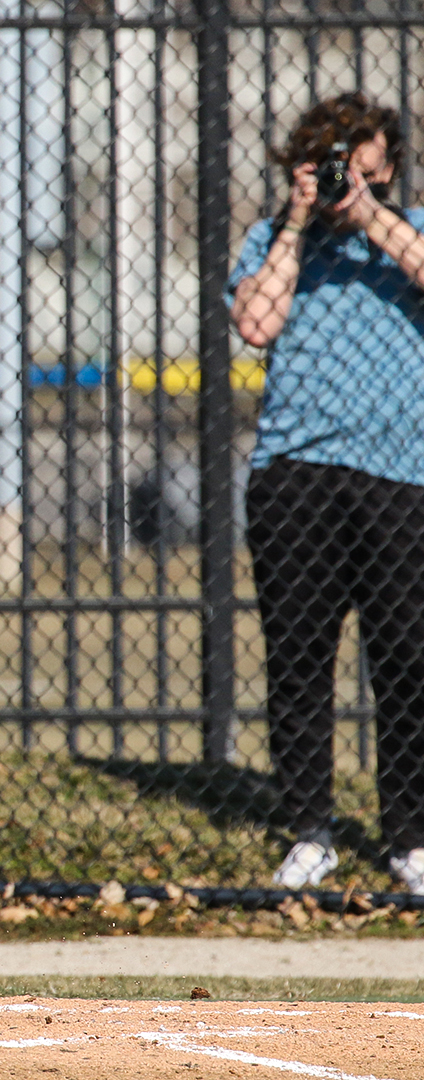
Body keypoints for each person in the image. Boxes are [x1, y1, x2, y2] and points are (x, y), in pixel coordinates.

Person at [229, 91, 424, 896]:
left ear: (386, 166)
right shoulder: (275, 238)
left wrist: (370, 213)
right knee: (301, 659)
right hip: (295, 475)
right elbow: (255, 325)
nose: (349, 175)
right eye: (335, 163)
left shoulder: (404, 231)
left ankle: (409, 838)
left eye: (364, 163)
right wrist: (303, 220)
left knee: (408, 661)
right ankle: (310, 829)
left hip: (401, 476)